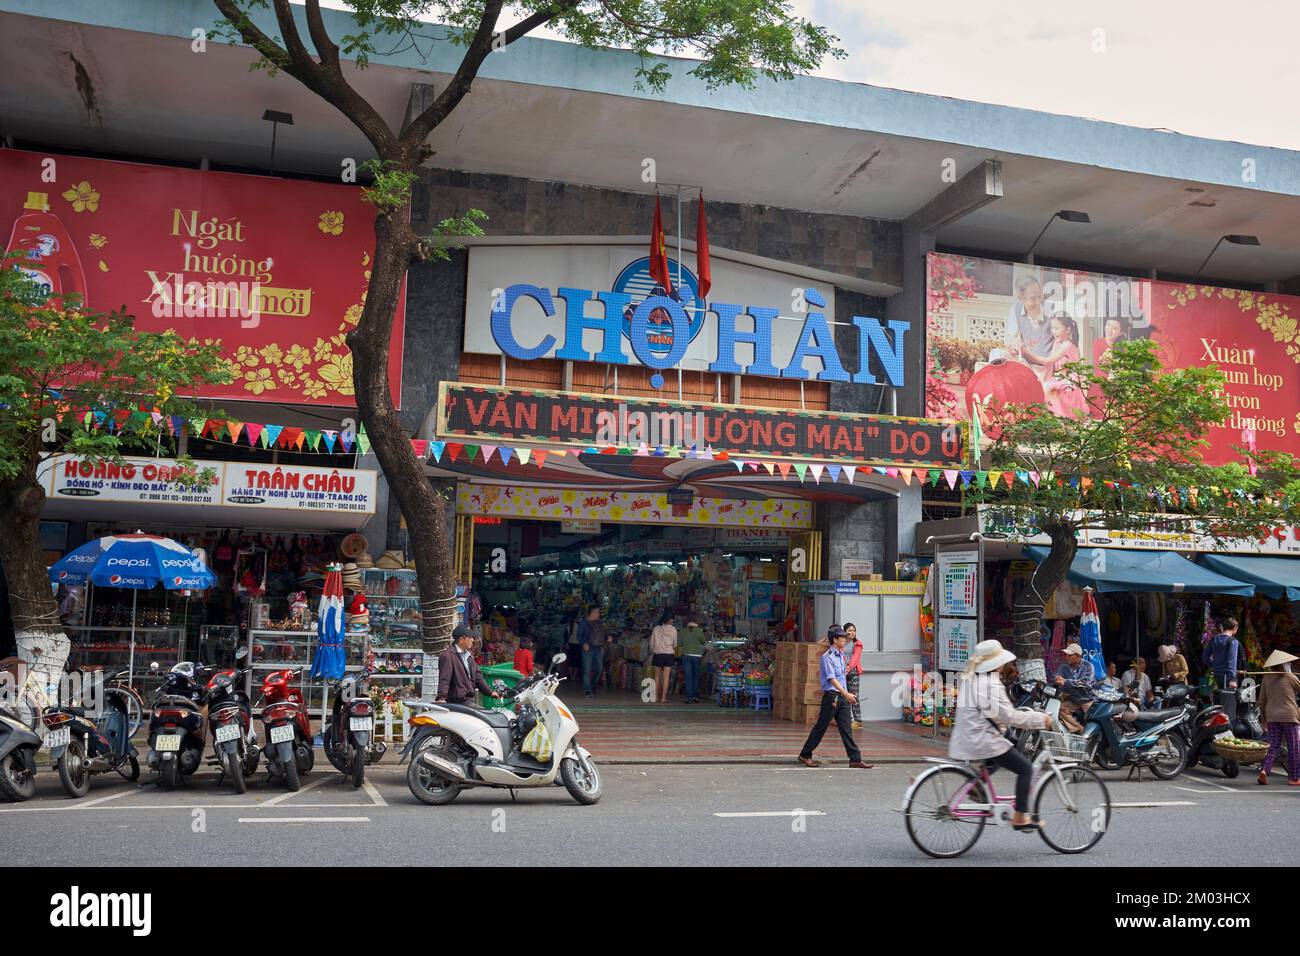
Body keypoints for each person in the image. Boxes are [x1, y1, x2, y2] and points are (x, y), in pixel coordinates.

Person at [950, 639, 1053, 831]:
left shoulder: (971, 678)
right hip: (982, 739)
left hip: (968, 735)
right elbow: (1011, 717)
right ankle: (1021, 816)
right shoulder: (990, 684)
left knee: (1009, 743)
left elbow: (995, 714)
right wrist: (1041, 719)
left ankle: (977, 784)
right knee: (1026, 769)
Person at [797, 626, 872, 769]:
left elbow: (842, 676)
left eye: (845, 637)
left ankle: (855, 759)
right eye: (842, 637)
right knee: (821, 727)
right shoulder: (827, 657)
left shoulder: (841, 655)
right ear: (835, 639)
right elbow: (832, 679)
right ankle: (805, 755)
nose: (845, 639)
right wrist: (846, 693)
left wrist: (847, 694)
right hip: (832, 697)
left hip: (842, 697)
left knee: (846, 728)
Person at [1025, 314, 1086, 418]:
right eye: (1052, 328)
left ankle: (1059, 415)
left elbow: (1048, 361)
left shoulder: (1067, 345)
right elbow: (1050, 365)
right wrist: (1042, 377)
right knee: (1041, 385)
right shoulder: (1057, 343)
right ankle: (1050, 414)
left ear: (1067, 330)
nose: (1054, 331)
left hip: (1071, 381)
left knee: (1051, 388)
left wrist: (1026, 353)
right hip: (1060, 377)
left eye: (1057, 328)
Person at [1256, 649, 1300, 786]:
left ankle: (1264, 769)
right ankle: (1294, 778)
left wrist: (1263, 718)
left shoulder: (1266, 678)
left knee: (1273, 745)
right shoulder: (1290, 677)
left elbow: (1261, 701)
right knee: (1294, 747)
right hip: (1289, 717)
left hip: (1272, 717)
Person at [436, 625, 500, 705]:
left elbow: (478, 678)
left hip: (468, 700)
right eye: (470, 638)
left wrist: (490, 692)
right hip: (456, 703)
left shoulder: (469, 656)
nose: (472, 640)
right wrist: (441, 698)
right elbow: (444, 679)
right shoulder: (448, 656)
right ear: (461, 639)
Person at [1003, 273, 1054, 364]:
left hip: (1047, 366)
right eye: (1033, 298)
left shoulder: (1050, 308)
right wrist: (1014, 343)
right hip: (1027, 364)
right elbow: (1010, 338)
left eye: (1039, 296)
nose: (1038, 302)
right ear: (1021, 298)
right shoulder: (1016, 309)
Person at [1052, 642, 1098, 732]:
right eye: (1066, 655)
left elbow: (1085, 683)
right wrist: (1057, 680)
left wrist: (1065, 681)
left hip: (1087, 699)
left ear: (1078, 656)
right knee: (1059, 709)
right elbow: (1055, 677)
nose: (1066, 657)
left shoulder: (1088, 666)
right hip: (1073, 699)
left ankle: (1093, 737)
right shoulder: (1064, 666)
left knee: (1094, 719)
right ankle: (1078, 729)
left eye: (1069, 655)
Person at [578, 606, 610, 699]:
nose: (599, 614)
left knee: (599, 669)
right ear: (592, 613)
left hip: (598, 649)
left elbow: (604, 633)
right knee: (587, 670)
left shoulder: (600, 622)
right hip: (587, 650)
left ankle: (593, 685)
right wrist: (583, 643)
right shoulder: (583, 623)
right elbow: (579, 635)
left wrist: (607, 638)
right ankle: (588, 690)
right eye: (597, 612)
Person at [1202, 617, 1241, 691]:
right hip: (1228, 676)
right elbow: (1231, 662)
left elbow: (1205, 657)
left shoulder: (1214, 639)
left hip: (1217, 674)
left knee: (1219, 698)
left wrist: (1215, 665)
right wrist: (1233, 679)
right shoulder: (1233, 641)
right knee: (1228, 700)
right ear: (1235, 627)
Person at [649, 611, 678, 705]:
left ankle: (656, 697)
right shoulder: (673, 630)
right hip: (669, 654)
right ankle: (663, 698)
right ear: (670, 619)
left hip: (658, 654)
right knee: (666, 678)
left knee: (656, 677)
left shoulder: (656, 629)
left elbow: (651, 643)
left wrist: (654, 650)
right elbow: (675, 644)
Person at [678, 618, 707, 703]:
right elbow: (703, 641)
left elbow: (679, 643)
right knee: (696, 676)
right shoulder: (699, 631)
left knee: (688, 677)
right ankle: (695, 697)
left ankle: (689, 698)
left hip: (686, 656)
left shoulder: (683, 631)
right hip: (697, 656)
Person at [844, 622, 864, 729]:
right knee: (844, 696)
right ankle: (848, 719)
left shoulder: (858, 644)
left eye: (854, 630)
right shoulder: (841, 643)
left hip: (853, 672)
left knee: (854, 696)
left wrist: (848, 669)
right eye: (849, 631)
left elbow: (855, 658)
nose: (852, 633)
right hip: (842, 672)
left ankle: (858, 720)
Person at [565, 612, 584, 684]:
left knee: (571, 660)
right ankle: (574, 676)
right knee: (577, 661)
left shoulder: (568, 626)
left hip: (570, 644)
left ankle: (571, 676)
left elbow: (566, 637)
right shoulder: (579, 626)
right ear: (576, 619)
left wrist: (567, 643)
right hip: (578, 645)